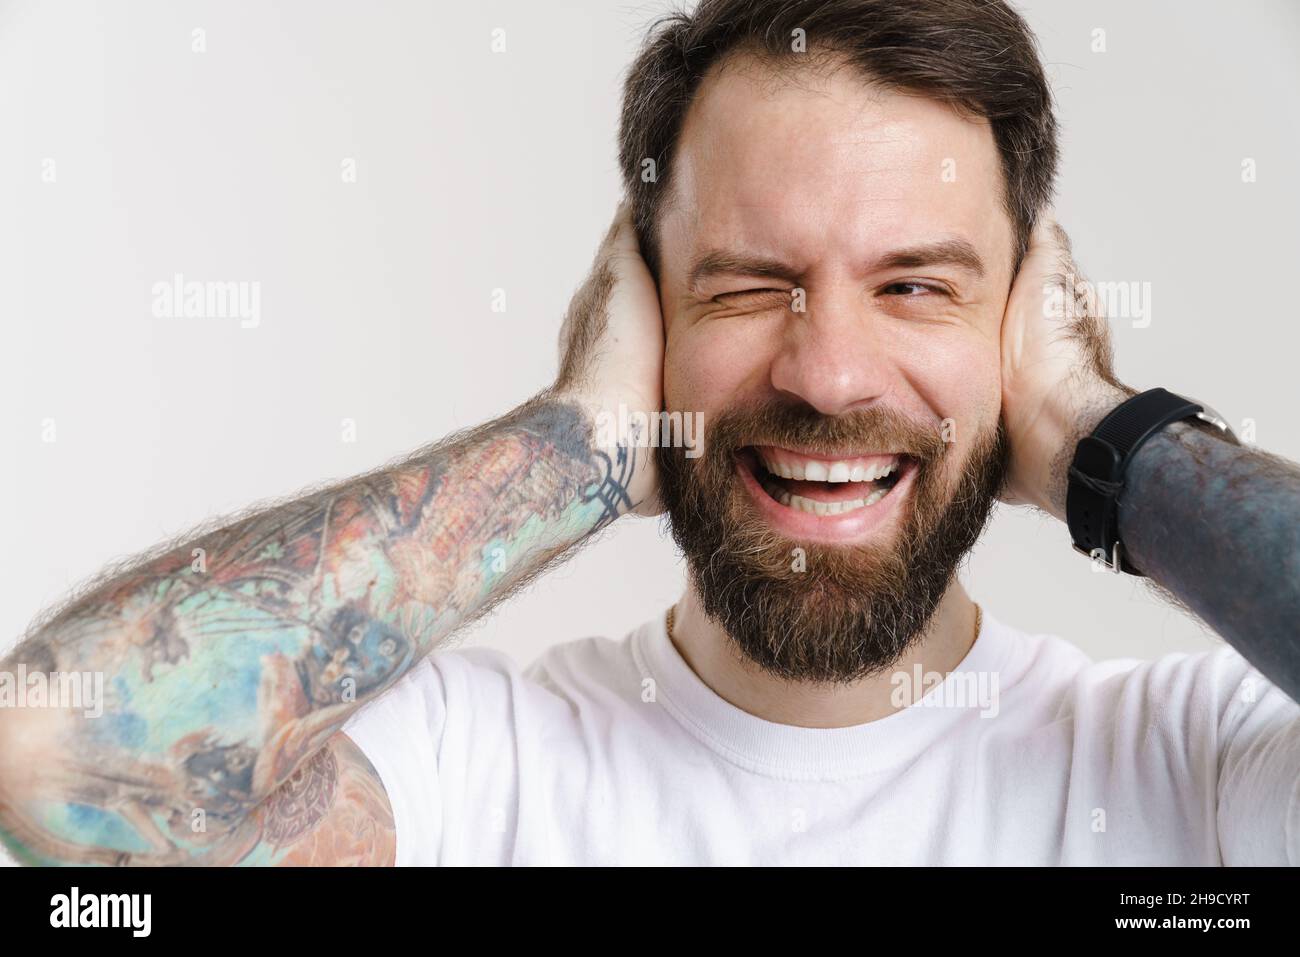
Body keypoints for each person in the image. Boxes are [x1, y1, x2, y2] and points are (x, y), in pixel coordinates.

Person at [1, 0, 1297, 866]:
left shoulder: (1205, 765)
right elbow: (59, 748)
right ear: (642, 314)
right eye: (743, 281)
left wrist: (1105, 438)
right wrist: (580, 443)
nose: (831, 369)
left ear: (1019, 330)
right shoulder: (468, 776)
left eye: (917, 285)